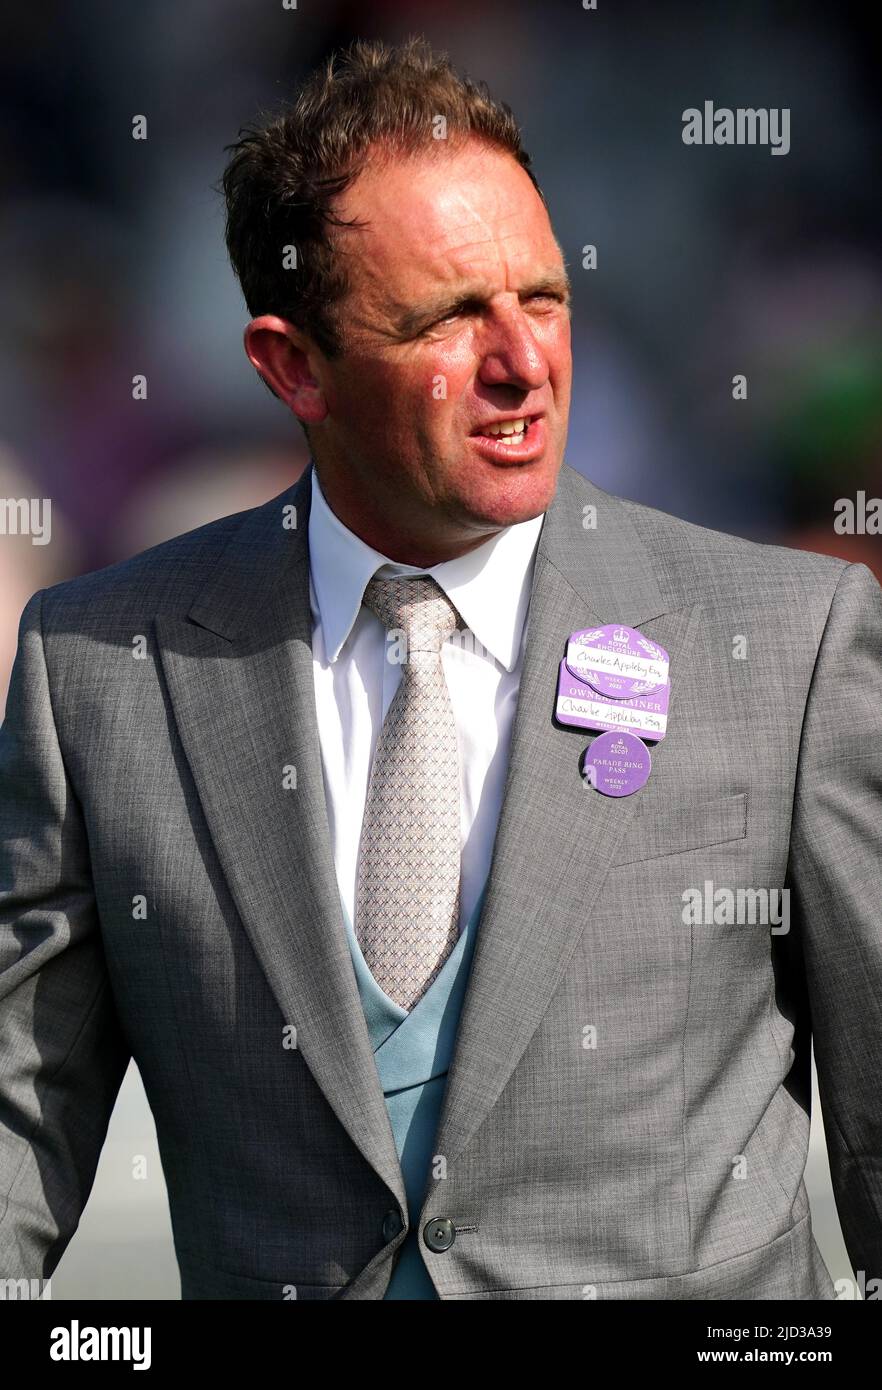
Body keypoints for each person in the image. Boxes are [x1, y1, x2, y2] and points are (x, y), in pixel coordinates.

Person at [1, 35, 880, 1302]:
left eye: (543, 299)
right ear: (291, 365)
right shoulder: (101, 670)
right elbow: (19, 1121)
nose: (524, 361)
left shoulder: (791, 645)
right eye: (450, 318)